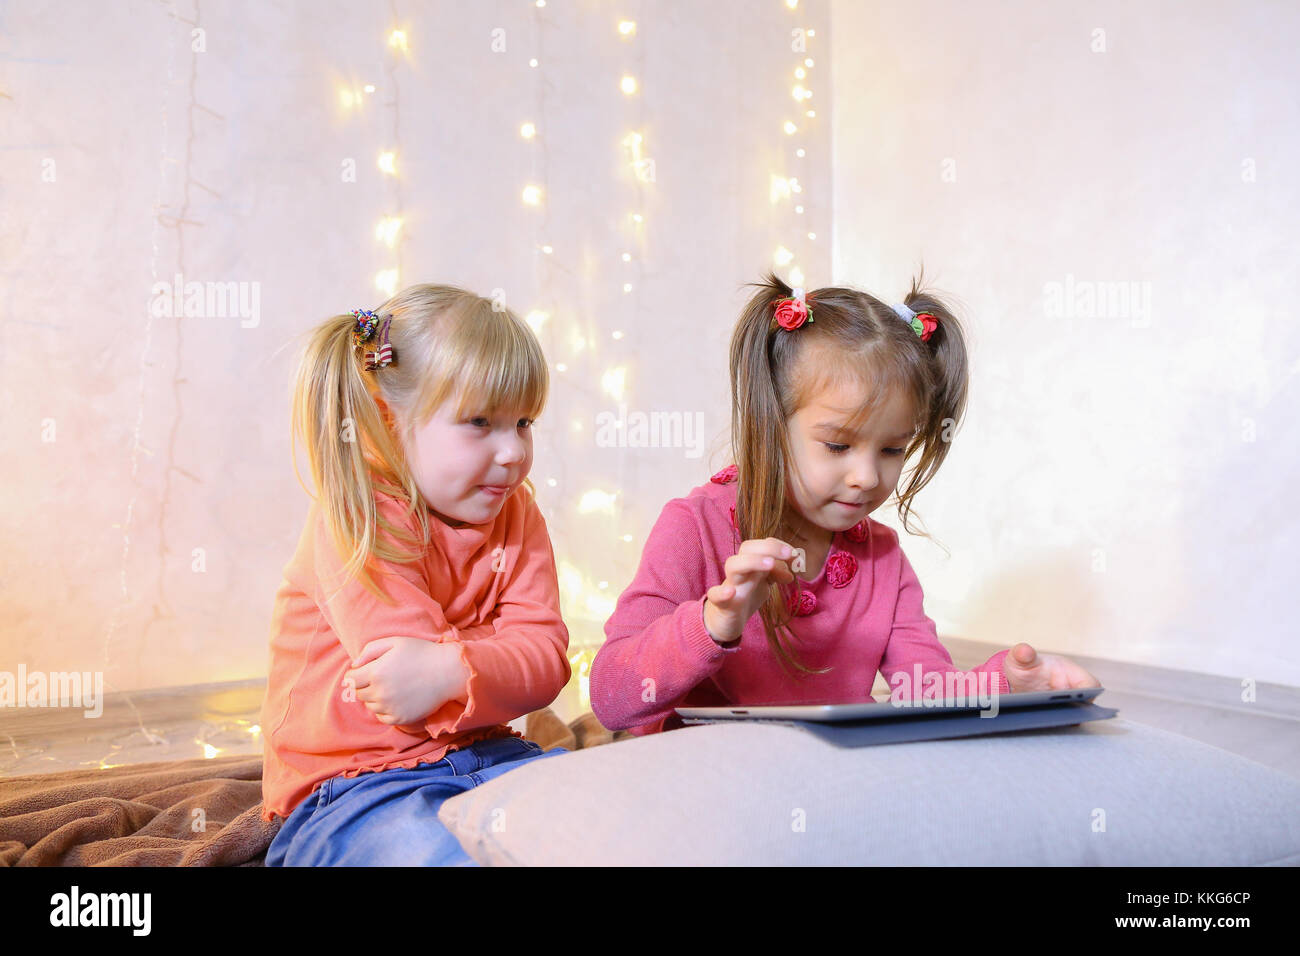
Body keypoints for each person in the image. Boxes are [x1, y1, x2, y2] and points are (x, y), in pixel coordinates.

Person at [591, 271, 1098, 735]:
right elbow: (612, 697)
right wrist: (711, 625)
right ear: (770, 425)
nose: (866, 477)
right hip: (709, 788)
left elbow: (927, 690)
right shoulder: (694, 527)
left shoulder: (883, 558)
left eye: (893, 449)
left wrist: (1006, 686)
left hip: (828, 786)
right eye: (837, 445)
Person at [261, 284, 571, 865]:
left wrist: (452, 667)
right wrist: (496, 658)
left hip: (494, 753)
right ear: (387, 420)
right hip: (356, 785)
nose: (512, 452)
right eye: (480, 421)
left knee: (609, 823)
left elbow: (548, 663)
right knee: (436, 855)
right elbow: (403, 690)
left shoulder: (519, 511)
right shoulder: (358, 510)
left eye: (524, 421)